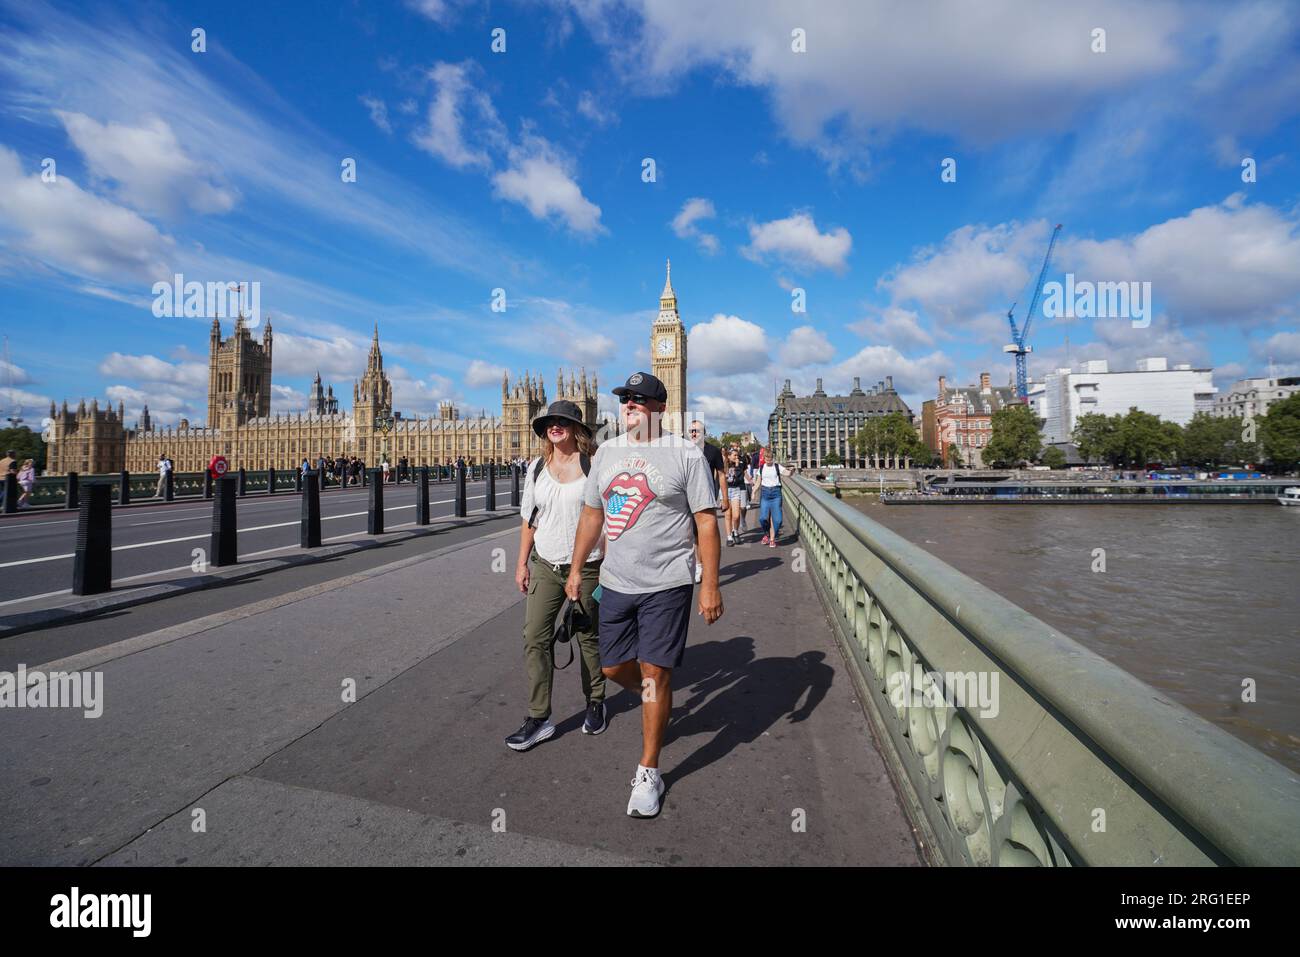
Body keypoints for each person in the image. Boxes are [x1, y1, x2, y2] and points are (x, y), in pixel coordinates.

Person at [565, 372, 723, 818]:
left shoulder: (685, 454)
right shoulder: (607, 452)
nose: (629, 404)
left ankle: (649, 770)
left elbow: (706, 521)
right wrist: (576, 568)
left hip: (667, 583)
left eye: (638, 399)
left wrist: (709, 584)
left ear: (659, 408)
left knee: (654, 673)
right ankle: (657, 700)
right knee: (613, 667)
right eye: (625, 399)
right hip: (616, 581)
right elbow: (592, 514)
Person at [506, 400, 606, 752]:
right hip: (546, 564)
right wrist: (521, 563)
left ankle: (595, 700)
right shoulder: (537, 468)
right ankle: (539, 717)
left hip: (588, 565)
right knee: (535, 636)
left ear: (577, 428)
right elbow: (529, 519)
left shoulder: (594, 465)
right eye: (550, 422)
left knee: (587, 637)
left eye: (562, 421)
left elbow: (610, 516)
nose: (554, 426)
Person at [688, 421, 726, 583]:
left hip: (706, 497)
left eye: (697, 431)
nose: (693, 434)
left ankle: (704, 566)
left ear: (704, 433)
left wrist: (725, 498)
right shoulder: (683, 450)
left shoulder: (713, 451)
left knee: (706, 533)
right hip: (687, 498)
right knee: (693, 535)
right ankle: (698, 564)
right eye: (691, 431)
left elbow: (721, 475)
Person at [757, 447, 784, 548]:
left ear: (773, 458)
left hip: (776, 494)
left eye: (770, 459)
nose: (769, 461)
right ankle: (767, 533)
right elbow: (758, 481)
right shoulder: (761, 468)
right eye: (767, 459)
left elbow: (786, 472)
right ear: (764, 458)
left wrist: (790, 472)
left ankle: (772, 539)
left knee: (778, 520)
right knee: (763, 518)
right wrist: (754, 492)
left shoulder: (777, 466)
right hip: (765, 494)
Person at [723, 448, 749, 546]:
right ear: (729, 456)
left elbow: (739, 478)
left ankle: (735, 531)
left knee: (736, 515)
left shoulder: (739, 465)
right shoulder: (724, 464)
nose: (737, 457)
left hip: (736, 490)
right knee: (728, 515)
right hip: (725, 490)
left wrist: (737, 466)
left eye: (737, 455)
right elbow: (720, 477)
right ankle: (729, 537)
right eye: (734, 455)